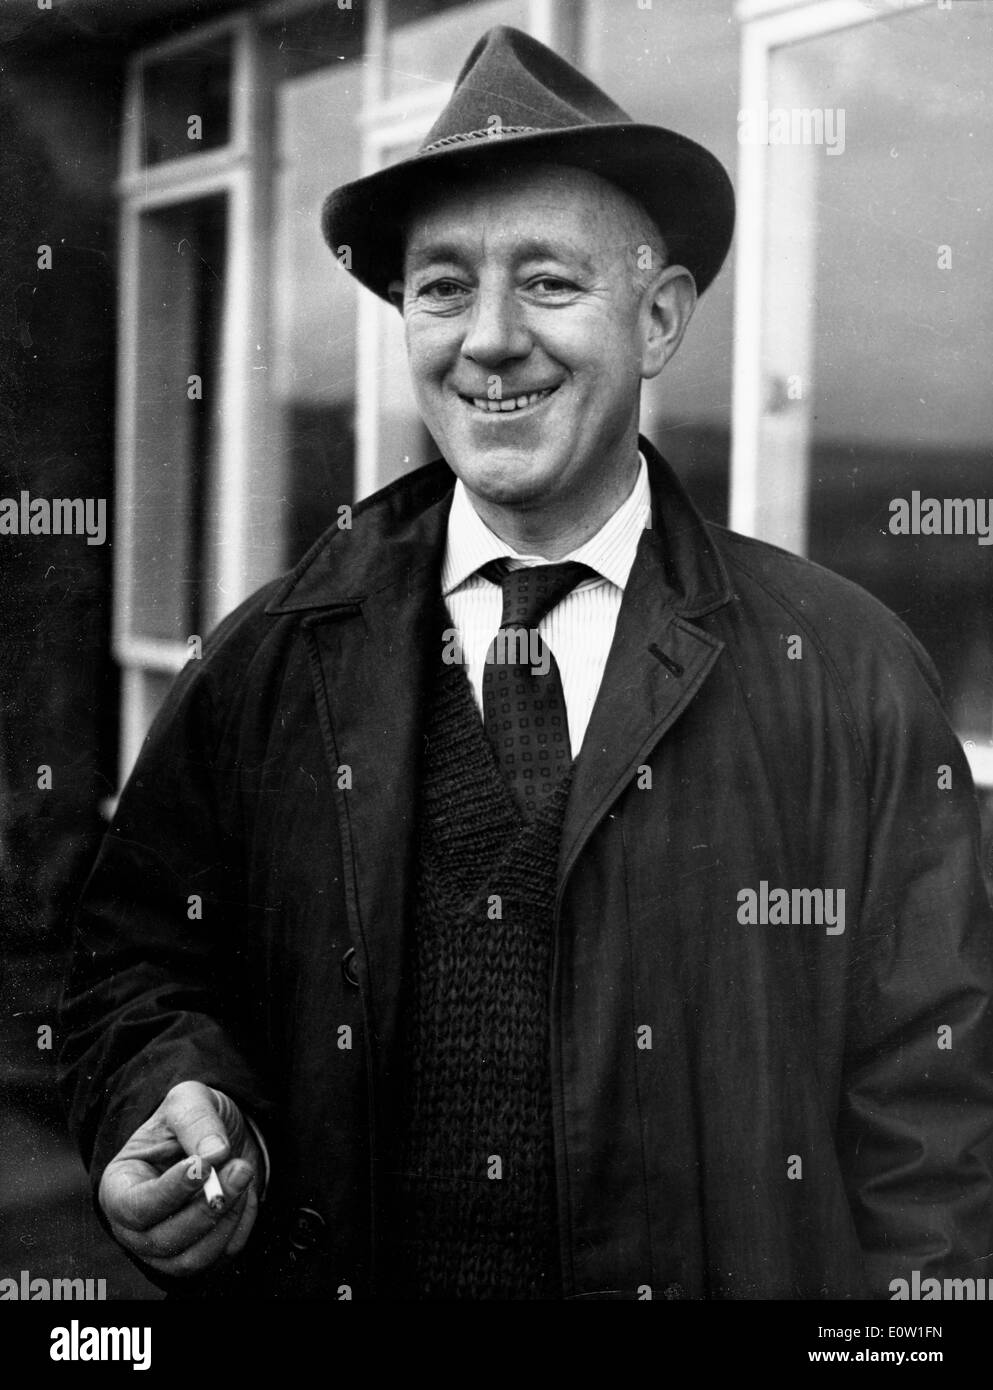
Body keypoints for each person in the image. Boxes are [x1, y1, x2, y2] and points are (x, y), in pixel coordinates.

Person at [60, 25, 993, 1301]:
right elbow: (137, 962)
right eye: (442, 287)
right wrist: (170, 1092)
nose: (489, 339)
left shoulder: (844, 672)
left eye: (548, 282)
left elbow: (934, 1116)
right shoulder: (270, 664)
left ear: (660, 318)